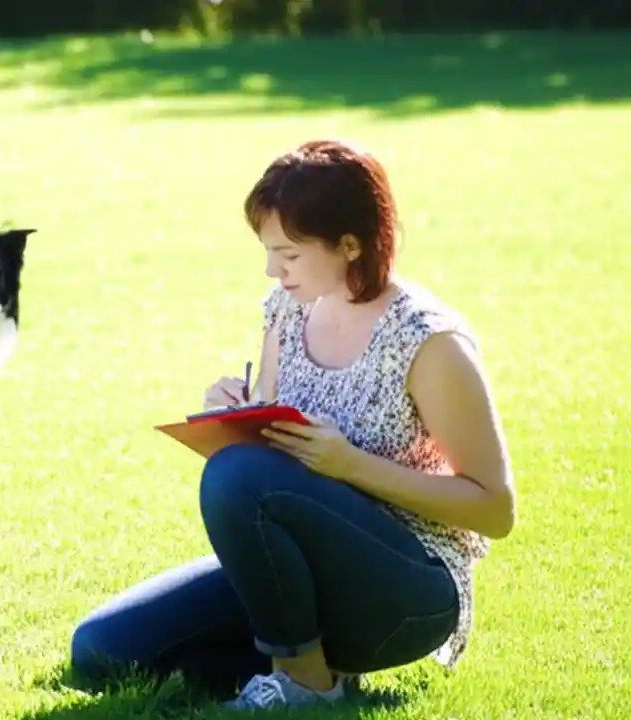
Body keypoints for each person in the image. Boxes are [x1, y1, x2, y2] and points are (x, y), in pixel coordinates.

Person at [69, 139, 516, 710]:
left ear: (350, 244)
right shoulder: (288, 308)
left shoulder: (427, 342)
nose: (271, 269)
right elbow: (269, 464)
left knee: (238, 476)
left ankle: (308, 685)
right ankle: (293, 660)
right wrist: (234, 416)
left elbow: (494, 509)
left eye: (289, 253)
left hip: (409, 587)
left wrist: (350, 466)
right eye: (267, 250)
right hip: (300, 574)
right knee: (101, 649)